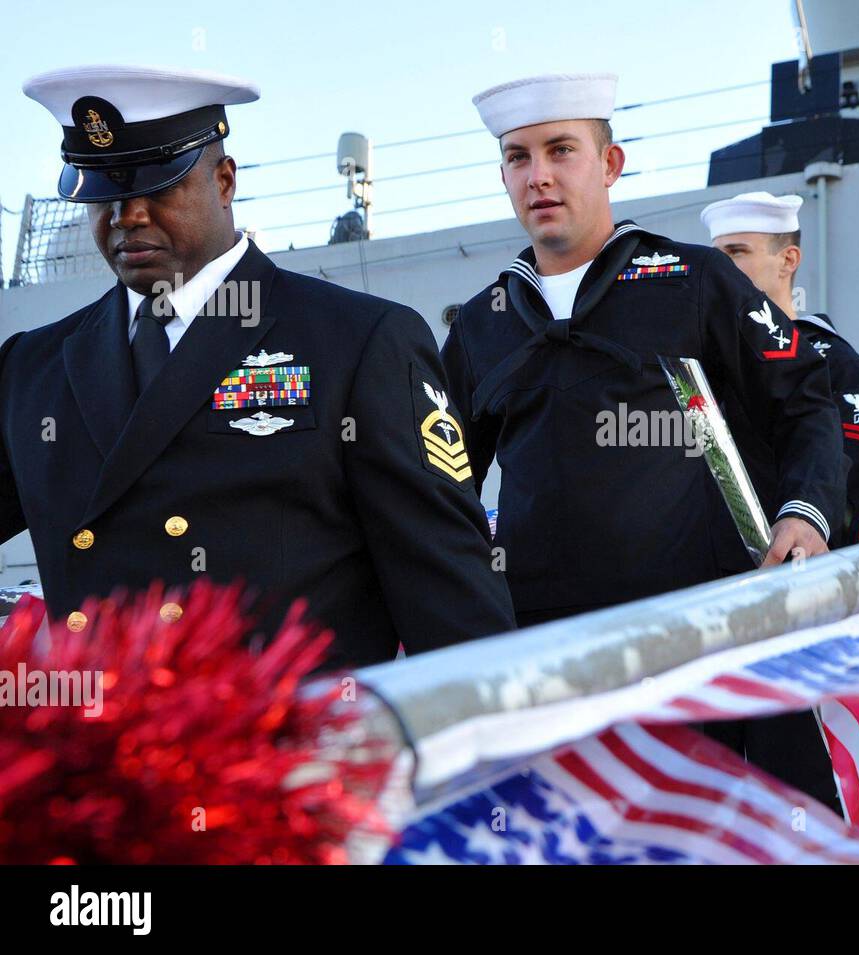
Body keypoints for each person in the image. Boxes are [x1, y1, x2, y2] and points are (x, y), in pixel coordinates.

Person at [2, 65, 514, 666]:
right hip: (103, 749)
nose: (127, 216)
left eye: (156, 187)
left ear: (224, 181)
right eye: (104, 193)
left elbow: (451, 600)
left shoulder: (359, 342)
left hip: (293, 747)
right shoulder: (31, 369)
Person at [441, 73, 846, 810]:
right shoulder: (482, 322)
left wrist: (804, 512)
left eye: (562, 150)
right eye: (519, 157)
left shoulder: (693, 280)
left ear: (610, 164)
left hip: (697, 648)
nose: (540, 176)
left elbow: (804, 400)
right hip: (549, 664)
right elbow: (442, 485)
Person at [701, 190, 859, 543]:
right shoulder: (706, 359)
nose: (720, 268)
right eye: (716, 256)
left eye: (736, 252)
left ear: (788, 260)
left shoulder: (835, 362)